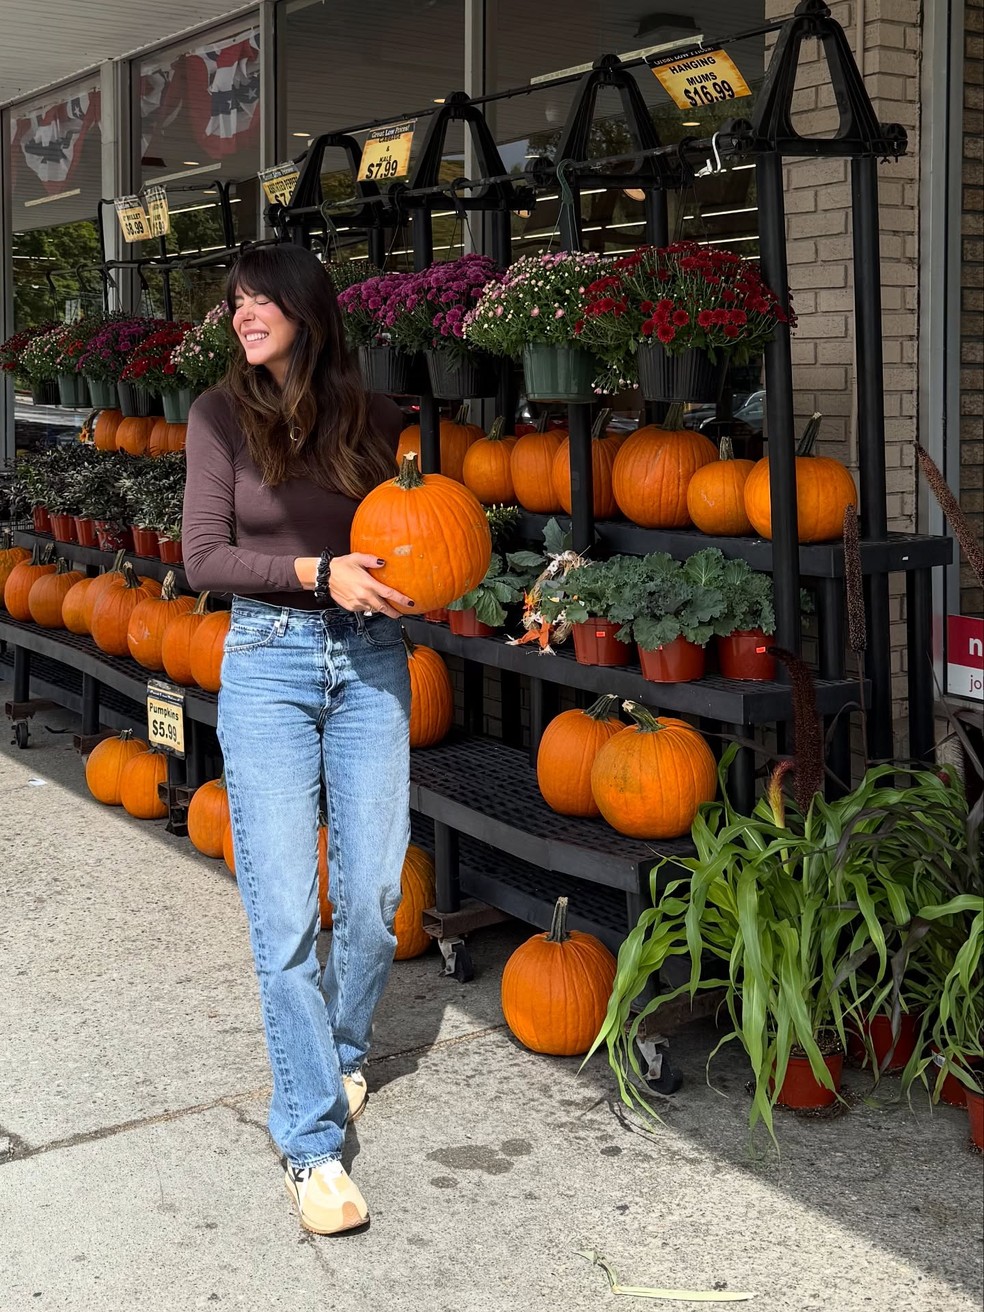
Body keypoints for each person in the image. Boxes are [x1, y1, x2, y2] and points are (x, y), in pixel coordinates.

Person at [182, 243, 414, 1236]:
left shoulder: (378, 416)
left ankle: (345, 1049)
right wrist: (321, 574)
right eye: (234, 301)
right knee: (284, 917)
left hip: (372, 663)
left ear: (308, 309)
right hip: (269, 665)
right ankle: (310, 1144)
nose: (242, 313)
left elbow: (420, 531)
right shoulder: (217, 416)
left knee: (372, 898)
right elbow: (202, 559)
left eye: (260, 297)